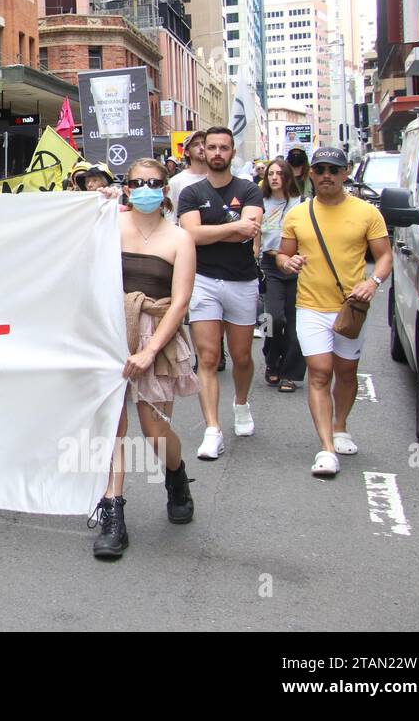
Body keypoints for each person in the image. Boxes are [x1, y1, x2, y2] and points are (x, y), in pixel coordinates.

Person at [90, 159, 198, 559]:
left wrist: (150, 350)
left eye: (154, 182)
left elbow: (181, 301)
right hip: (111, 335)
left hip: (156, 336)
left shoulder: (179, 239)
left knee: (155, 432)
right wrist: (95, 201)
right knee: (111, 428)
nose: (146, 189)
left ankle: (176, 474)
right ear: (128, 187)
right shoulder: (109, 224)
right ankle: (113, 512)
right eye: (137, 183)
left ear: (165, 188)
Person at [276, 147, 392, 477]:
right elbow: (283, 258)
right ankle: (326, 448)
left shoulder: (367, 212)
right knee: (320, 372)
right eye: (321, 169)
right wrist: (290, 262)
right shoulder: (298, 214)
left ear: (345, 174)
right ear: (311, 173)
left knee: (346, 372)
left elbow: (384, 256)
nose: (327, 174)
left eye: (334, 169)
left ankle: (340, 426)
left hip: (350, 308)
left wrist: (374, 282)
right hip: (310, 305)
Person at [177, 126, 264, 459]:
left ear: (232, 152)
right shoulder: (191, 193)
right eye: (210, 147)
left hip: (242, 280)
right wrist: (232, 227)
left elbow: (249, 232)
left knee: (242, 356)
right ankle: (212, 428)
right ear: (201, 151)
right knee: (209, 357)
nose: (216, 153)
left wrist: (214, 232)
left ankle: (241, 404)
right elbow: (192, 236)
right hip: (203, 280)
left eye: (223, 148)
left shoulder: (250, 190)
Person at [259, 159, 306, 393]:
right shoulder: (260, 202)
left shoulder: (302, 204)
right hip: (270, 265)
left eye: (279, 173)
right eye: (270, 174)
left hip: (299, 265)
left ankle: (291, 373)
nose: (274, 178)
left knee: (296, 323)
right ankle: (271, 360)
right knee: (273, 318)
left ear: (288, 176)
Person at [167, 130, 208, 219]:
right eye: (196, 145)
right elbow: (171, 217)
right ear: (187, 152)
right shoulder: (176, 181)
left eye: (204, 143)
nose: (202, 147)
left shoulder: (218, 178)